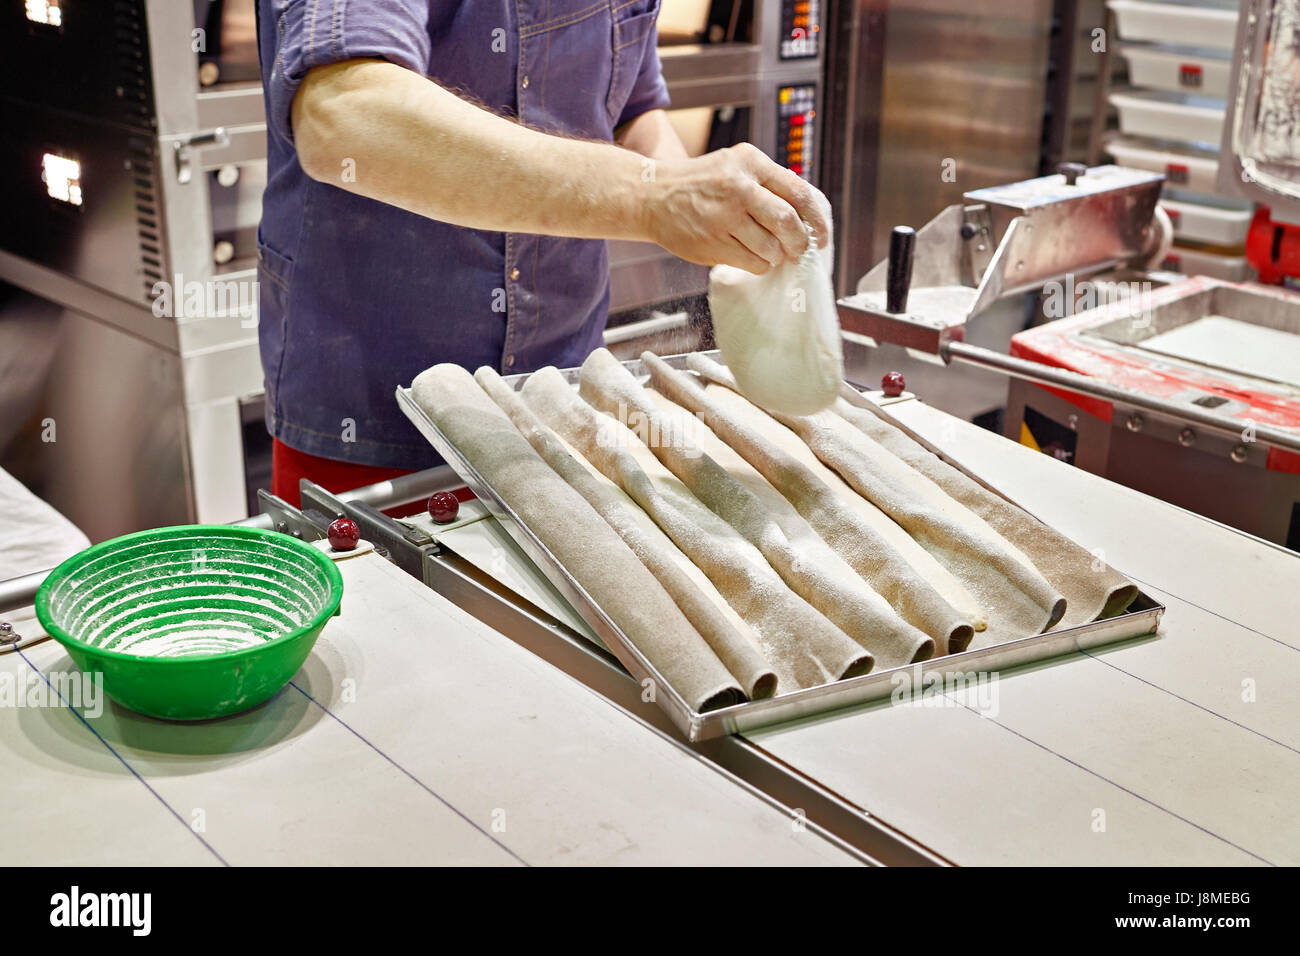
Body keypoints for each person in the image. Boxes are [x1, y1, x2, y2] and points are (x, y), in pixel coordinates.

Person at [255, 0, 830, 503]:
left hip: (566, 401)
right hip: (374, 421)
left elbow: (631, 106)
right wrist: (654, 198)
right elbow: (348, 116)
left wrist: (729, 220)